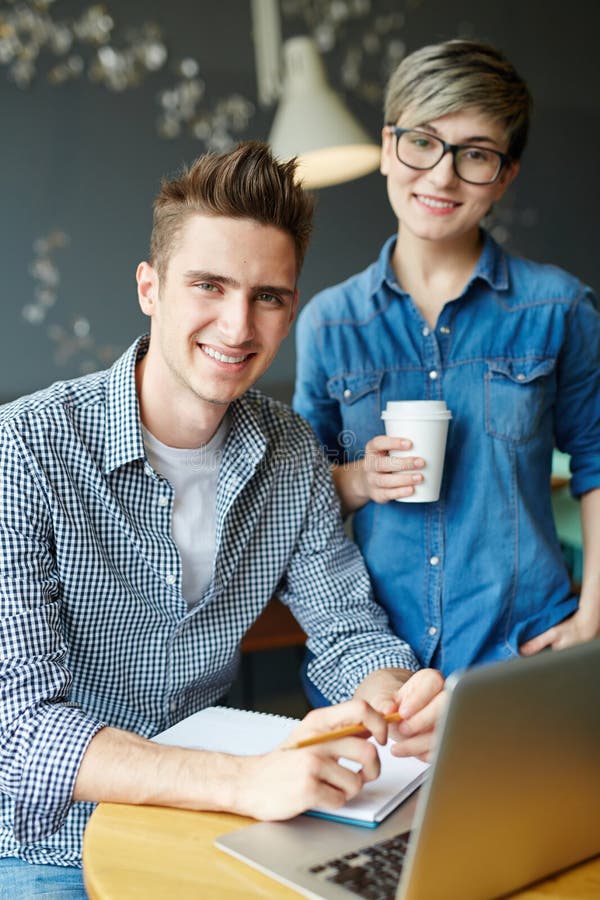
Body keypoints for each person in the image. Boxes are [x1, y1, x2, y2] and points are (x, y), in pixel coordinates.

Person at [0, 141, 445, 896]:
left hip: (215, 824)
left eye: (268, 296)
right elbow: (18, 734)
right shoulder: (23, 450)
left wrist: (390, 698)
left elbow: (348, 629)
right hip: (48, 842)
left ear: (290, 307)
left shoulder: (293, 450)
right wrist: (246, 782)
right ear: (150, 288)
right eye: (209, 285)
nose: (237, 326)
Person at [293, 40, 600, 685]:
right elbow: (301, 495)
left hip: (522, 657)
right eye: (423, 142)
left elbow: (597, 467)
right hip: (374, 668)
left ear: (506, 174)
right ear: (387, 148)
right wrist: (360, 478)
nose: (441, 176)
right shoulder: (329, 322)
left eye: (476, 155)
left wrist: (593, 619)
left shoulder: (559, 308)